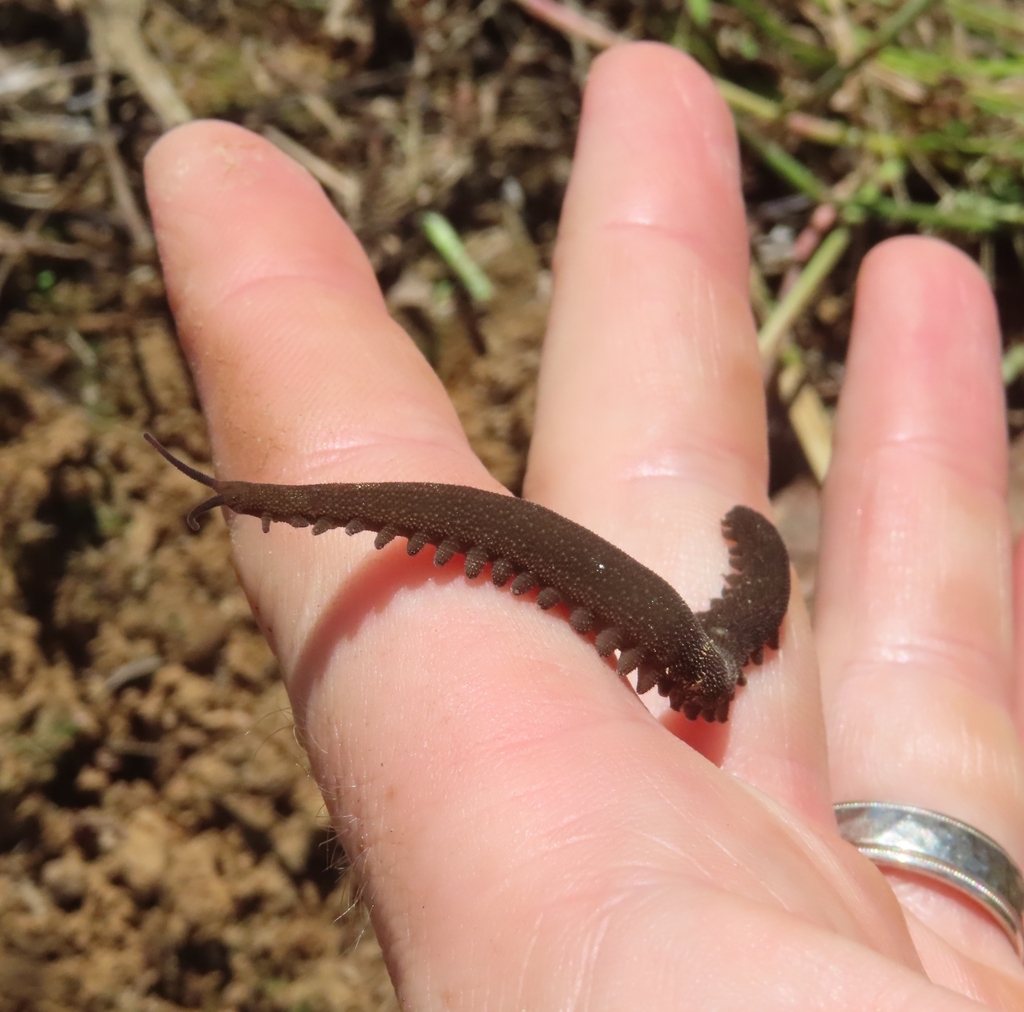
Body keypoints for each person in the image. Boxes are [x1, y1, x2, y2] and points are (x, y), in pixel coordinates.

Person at [143, 41, 1024, 1009]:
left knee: (690, 645)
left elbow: (714, 650)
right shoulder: (702, 654)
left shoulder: (703, 657)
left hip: (708, 666)